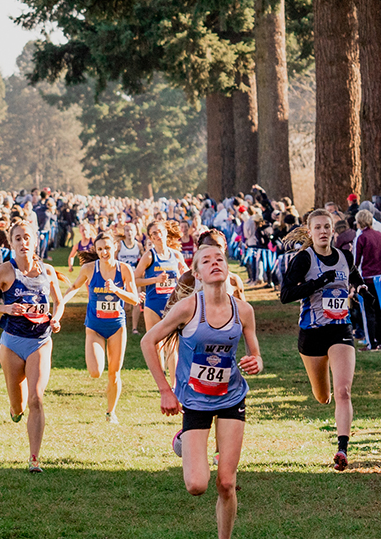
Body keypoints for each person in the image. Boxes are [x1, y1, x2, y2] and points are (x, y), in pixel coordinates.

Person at [140, 245, 263, 539]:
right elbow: (148, 342)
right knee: (197, 485)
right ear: (197, 274)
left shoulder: (243, 310)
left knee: (226, 483)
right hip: (195, 400)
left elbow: (255, 353)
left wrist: (255, 361)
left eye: (219, 259)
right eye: (206, 261)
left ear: (227, 268)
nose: (214, 263)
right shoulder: (188, 308)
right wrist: (165, 391)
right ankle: (184, 440)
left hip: (231, 396)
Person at [279, 209, 365, 470]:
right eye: (318, 228)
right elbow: (285, 294)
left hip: (340, 329)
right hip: (312, 334)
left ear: (333, 231)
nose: (323, 231)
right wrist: (317, 283)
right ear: (311, 232)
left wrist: (360, 288)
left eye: (327, 227)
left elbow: (354, 275)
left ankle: (342, 449)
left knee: (343, 391)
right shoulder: (304, 259)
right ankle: (323, 394)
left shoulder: (344, 256)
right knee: (323, 396)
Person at [0, 219, 65, 473]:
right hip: (12, 344)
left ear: (35, 240)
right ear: (11, 243)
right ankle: (14, 410)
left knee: (36, 399)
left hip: (40, 341)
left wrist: (56, 318)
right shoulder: (5, 271)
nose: (23, 242)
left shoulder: (47, 271)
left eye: (27, 237)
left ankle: (34, 458)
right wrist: (6, 308)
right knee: (18, 406)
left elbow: (59, 302)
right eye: (18, 238)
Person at [60, 233, 139, 424]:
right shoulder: (89, 269)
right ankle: (109, 410)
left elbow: (135, 299)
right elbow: (74, 287)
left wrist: (117, 290)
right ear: (96, 250)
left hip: (116, 327)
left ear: (115, 248)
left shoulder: (125, 269)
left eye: (107, 248)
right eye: (100, 249)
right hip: (94, 326)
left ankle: (111, 412)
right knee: (95, 371)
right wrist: (61, 303)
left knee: (114, 373)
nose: (104, 252)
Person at [135, 220, 186, 367]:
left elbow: (188, 278)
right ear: (150, 238)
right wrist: (155, 279)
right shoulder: (149, 257)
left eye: (160, 231)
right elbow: (135, 280)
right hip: (153, 305)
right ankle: (161, 381)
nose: (158, 235)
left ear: (166, 233)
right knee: (157, 346)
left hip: (173, 305)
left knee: (172, 347)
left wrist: (184, 273)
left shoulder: (176, 255)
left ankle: (174, 386)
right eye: (154, 233)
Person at [351, 210, 381, 349]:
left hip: (369, 278)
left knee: (369, 310)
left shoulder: (361, 238)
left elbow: (356, 261)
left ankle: (372, 343)